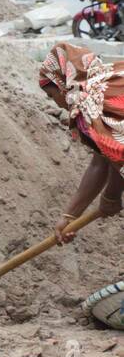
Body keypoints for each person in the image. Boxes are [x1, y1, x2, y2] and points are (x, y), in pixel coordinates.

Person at [40, 43, 124, 245]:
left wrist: (112, 195)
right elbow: (101, 162)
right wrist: (69, 216)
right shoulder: (109, 79)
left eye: (52, 96)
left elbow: (119, 153)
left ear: (63, 84)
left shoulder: (88, 101)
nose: (57, 103)